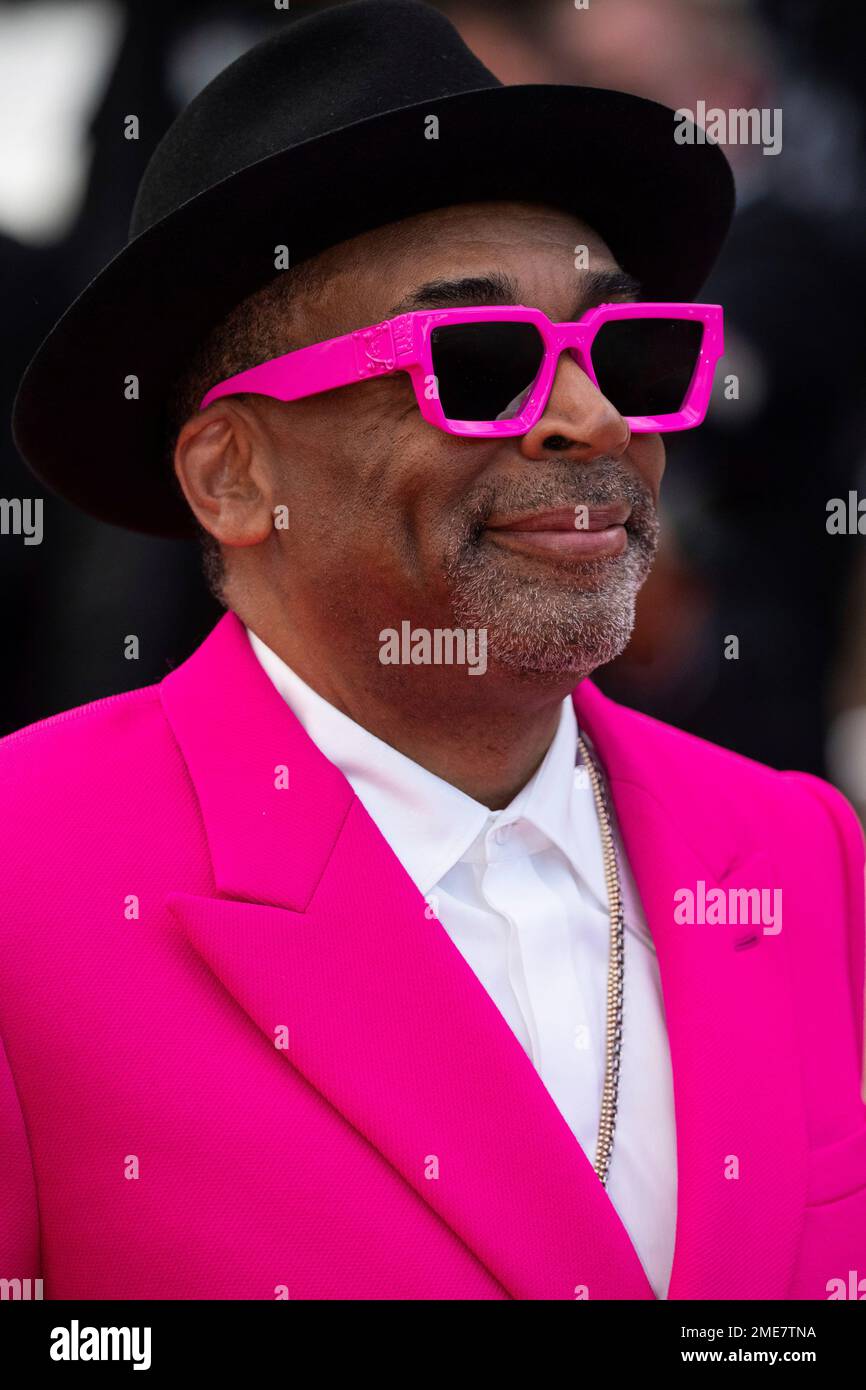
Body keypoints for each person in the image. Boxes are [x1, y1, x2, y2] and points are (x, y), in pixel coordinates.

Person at [3, 0, 864, 1302]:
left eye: (621, 351)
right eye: (474, 359)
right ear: (236, 475)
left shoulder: (799, 848)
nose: (587, 418)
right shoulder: (29, 876)